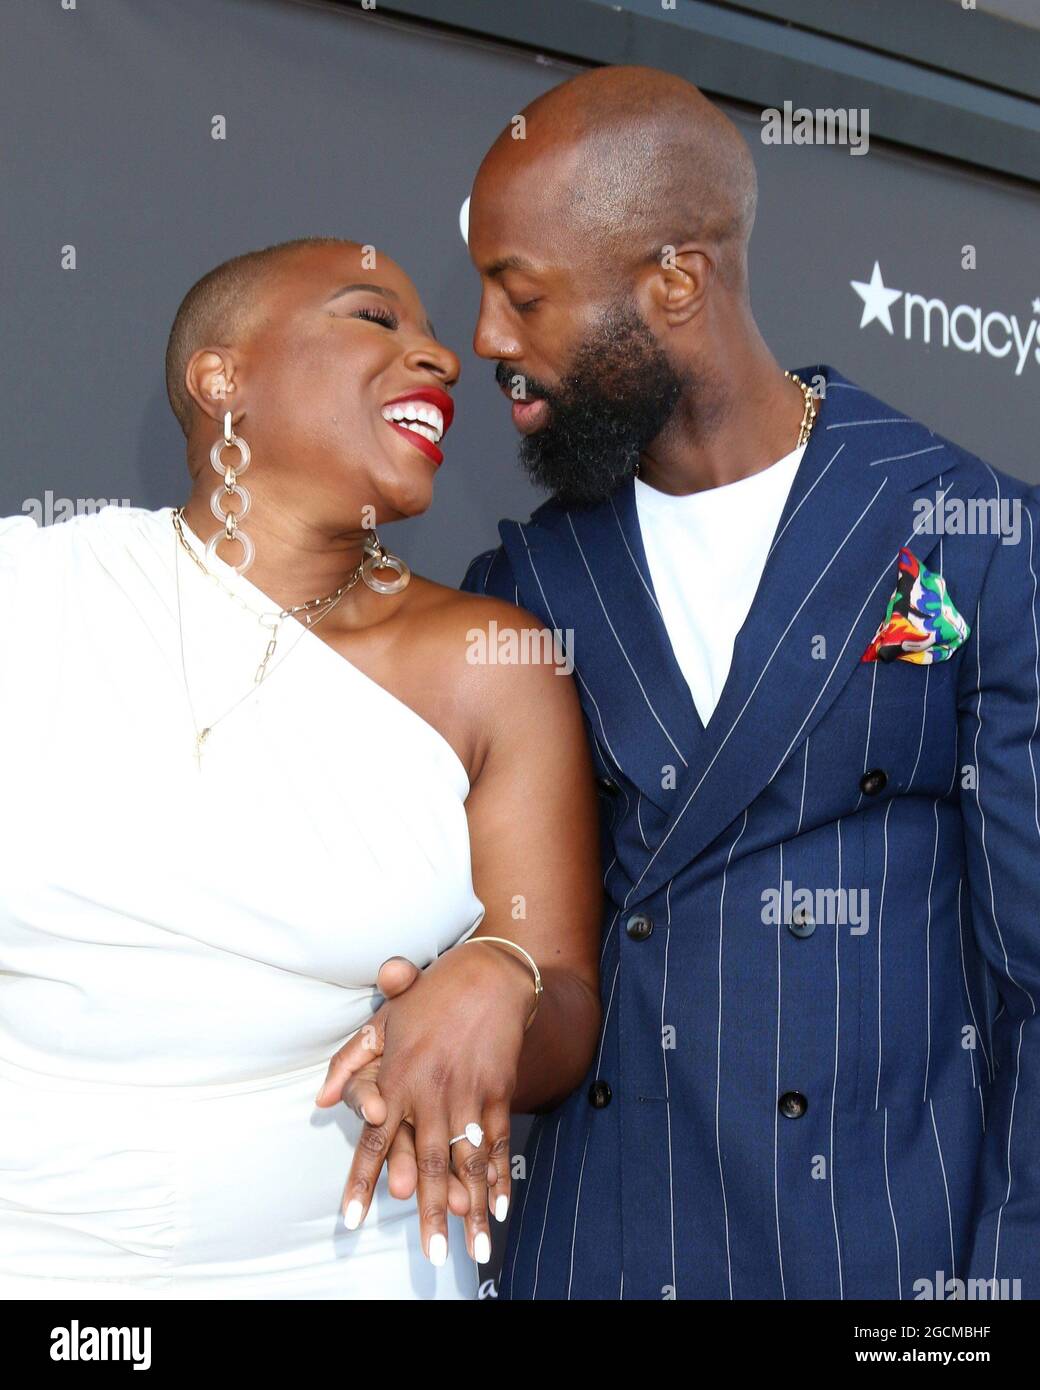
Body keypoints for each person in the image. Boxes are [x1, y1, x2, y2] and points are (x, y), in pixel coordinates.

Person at [454, 65, 1040, 1299]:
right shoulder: (524, 584)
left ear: (674, 281)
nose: (487, 343)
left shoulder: (972, 535)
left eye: (522, 297)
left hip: (877, 1264)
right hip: (595, 1251)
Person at [0, 237, 602, 1300]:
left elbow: (560, 1003)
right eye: (376, 318)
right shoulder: (31, 592)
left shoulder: (490, 664)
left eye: (430, 333)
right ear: (219, 376)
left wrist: (501, 979)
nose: (442, 357)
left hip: (345, 1266)